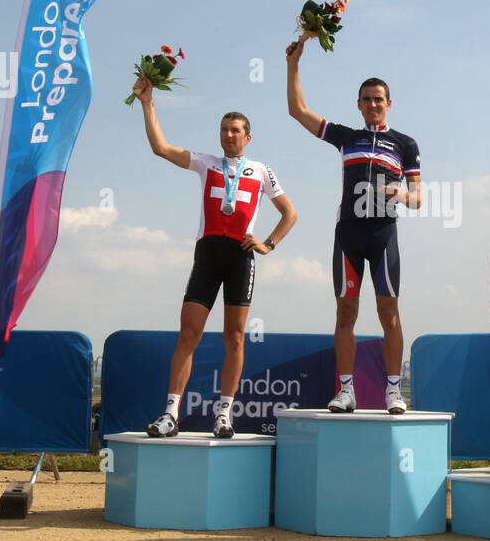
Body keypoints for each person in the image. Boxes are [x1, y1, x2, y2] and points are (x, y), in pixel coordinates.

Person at [133, 76, 297, 439]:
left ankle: (224, 414)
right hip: (207, 252)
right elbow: (160, 147)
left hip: (241, 255)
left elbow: (290, 213)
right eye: (224, 130)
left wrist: (268, 244)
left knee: (234, 338)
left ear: (248, 137)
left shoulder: (261, 170)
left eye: (236, 130)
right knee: (189, 333)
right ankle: (170, 414)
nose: (229, 135)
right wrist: (148, 103)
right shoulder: (206, 163)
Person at [285, 34, 420, 413]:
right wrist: (293, 65)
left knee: (388, 314)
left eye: (379, 99)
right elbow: (298, 111)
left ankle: (393, 391)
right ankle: (347, 392)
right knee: (346, 314)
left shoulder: (405, 144)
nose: (373, 104)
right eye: (367, 99)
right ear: (359, 105)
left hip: (383, 236)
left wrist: (403, 196)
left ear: (388, 103)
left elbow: (419, 195)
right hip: (348, 235)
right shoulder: (347, 137)